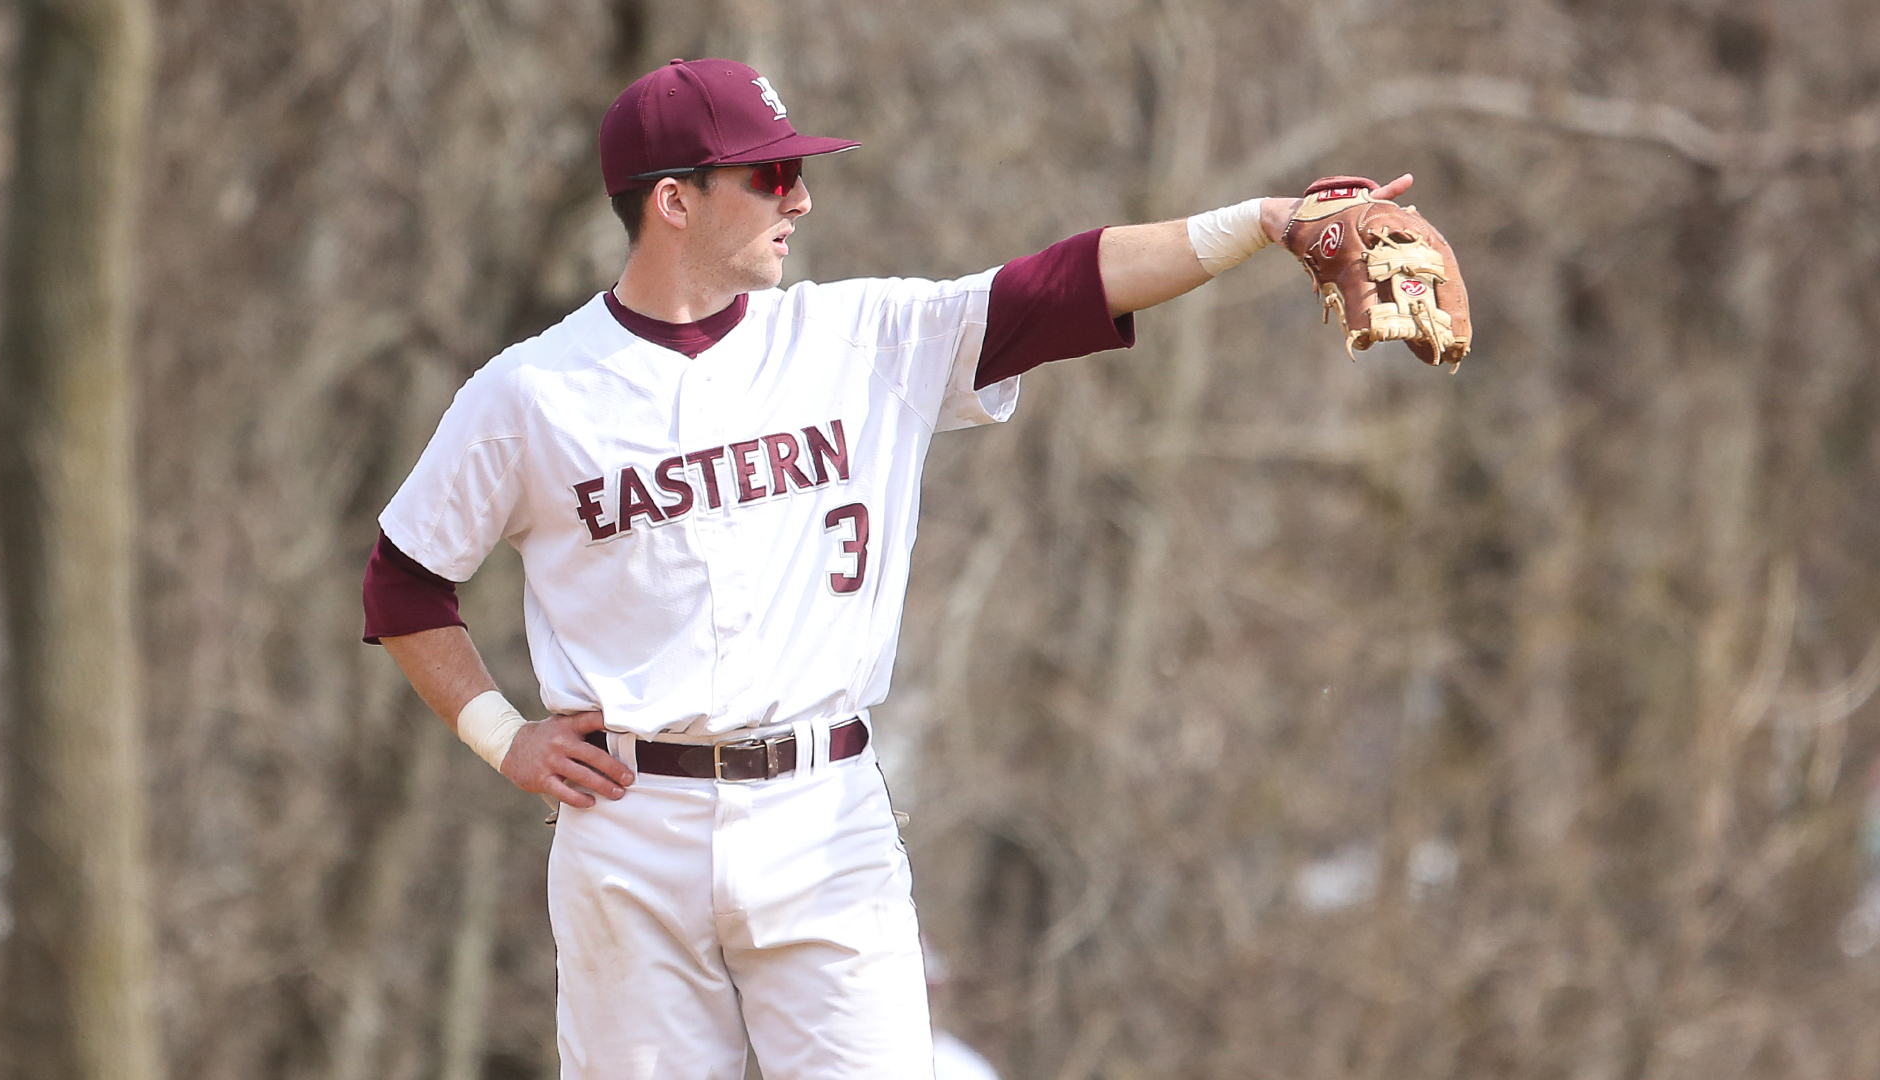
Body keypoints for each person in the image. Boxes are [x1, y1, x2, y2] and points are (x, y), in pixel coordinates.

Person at [362, 57, 1412, 1080]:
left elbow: (1053, 287)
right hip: (630, 825)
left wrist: (1261, 223)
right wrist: (502, 736)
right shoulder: (534, 391)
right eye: (770, 176)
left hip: (823, 817)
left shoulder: (856, 337)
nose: (802, 197)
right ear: (673, 202)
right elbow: (404, 581)